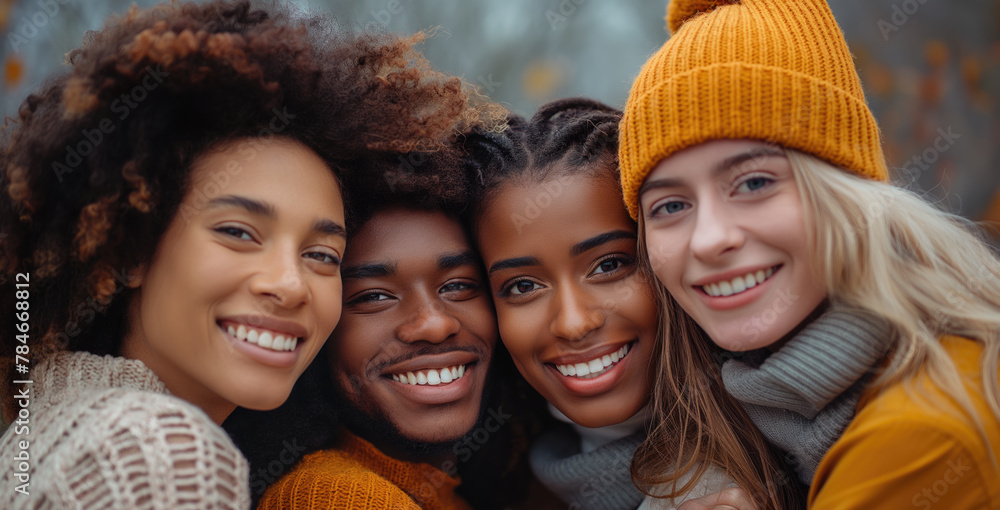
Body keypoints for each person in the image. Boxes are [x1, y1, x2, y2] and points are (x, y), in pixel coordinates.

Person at [0, 1, 482, 507]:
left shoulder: (49, 430)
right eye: (238, 232)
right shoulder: (162, 456)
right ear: (130, 249)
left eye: (322, 255)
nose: (290, 284)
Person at [618, 0, 1000, 508]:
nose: (709, 239)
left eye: (754, 182)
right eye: (670, 206)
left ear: (844, 192)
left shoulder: (922, 438)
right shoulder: (762, 419)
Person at [472, 98, 795, 509]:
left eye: (609, 265)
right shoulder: (496, 480)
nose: (574, 323)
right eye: (522, 287)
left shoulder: (742, 477)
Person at [241, 128, 535, 510]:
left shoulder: (469, 486)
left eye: (459, 286)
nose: (435, 325)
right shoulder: (334, 497)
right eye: (374, 296)